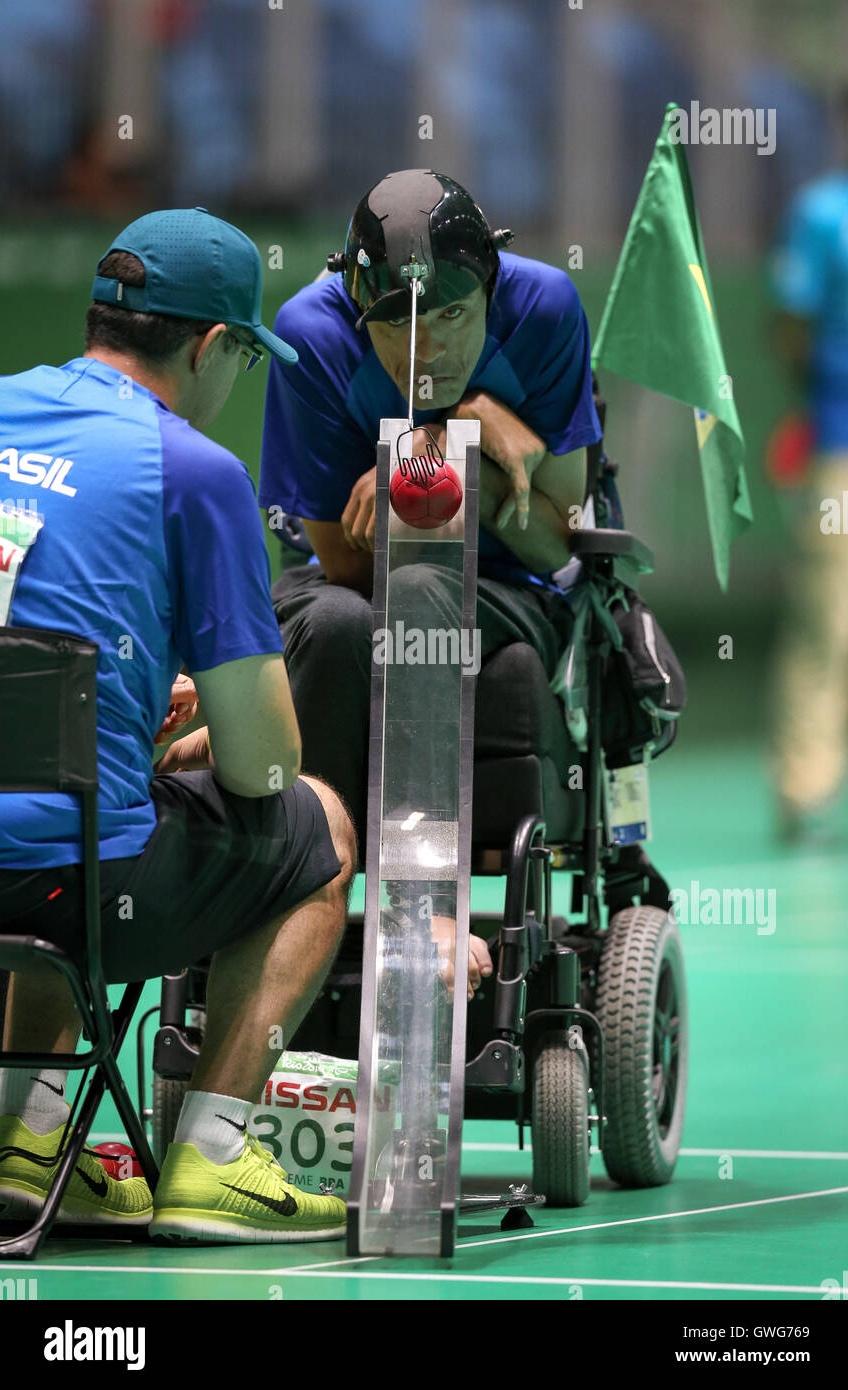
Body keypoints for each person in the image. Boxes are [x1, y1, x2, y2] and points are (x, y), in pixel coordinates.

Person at [0, 208, 356, 1244]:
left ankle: (23, 1132)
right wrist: (208, 736)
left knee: (75, 798)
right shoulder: (195, 472)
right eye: (243, 353)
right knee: (319, 831)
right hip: (71, 885)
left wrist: (129, 712)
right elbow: (260, 768)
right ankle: (209, 1156)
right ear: (209, 347)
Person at [260, 168, 602, 984]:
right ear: (356, 308)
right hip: (350, 581)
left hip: (511, 588)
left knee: (418, 590)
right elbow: (339, 558)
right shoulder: (310, 331)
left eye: (453, 317)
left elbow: (560, 536)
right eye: (397, 330)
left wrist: (440, 445)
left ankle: (422, 912)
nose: (428, 351)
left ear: (491, 283)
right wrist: (450, 457)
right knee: (343, 624)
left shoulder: (545, 305)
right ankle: (301, 892)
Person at [768, 80, 848, 843]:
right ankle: (805, 783)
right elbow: (791, 324)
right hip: (845, 442)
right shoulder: (824, 213)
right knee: (831, 616)